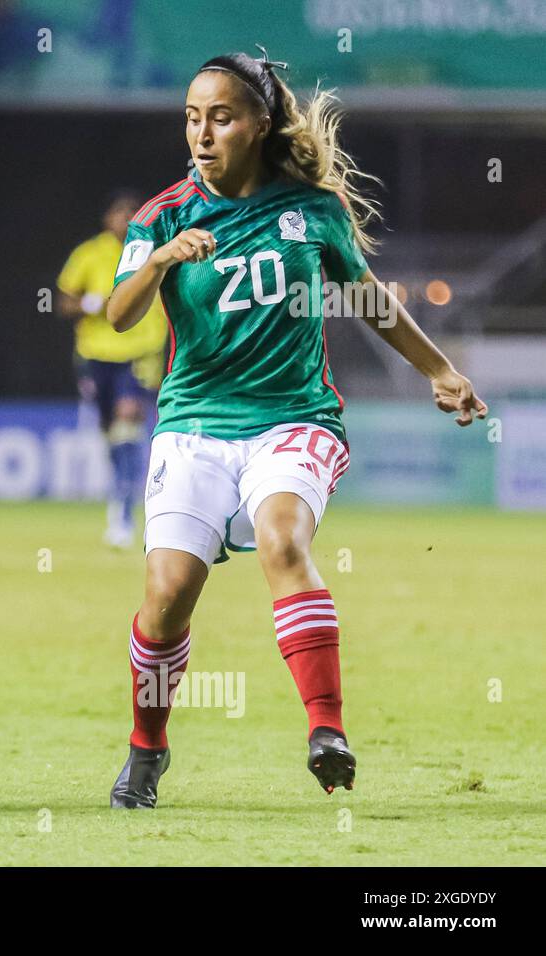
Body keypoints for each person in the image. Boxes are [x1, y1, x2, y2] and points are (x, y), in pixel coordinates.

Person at [105, 48, 486, 808]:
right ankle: (147, 748)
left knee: (283, 540)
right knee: (168, 590)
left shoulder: (313, 212)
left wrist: (438, 369)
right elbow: (119, 316)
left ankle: (326, 731)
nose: (201, 133)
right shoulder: (163, 216)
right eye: (191, 118)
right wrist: (161, 262)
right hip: (194, 424)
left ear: (260, 124)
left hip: (294, 418)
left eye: (220, 117)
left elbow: (370, 299)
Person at [57, 191, 168, 547]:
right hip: (96, 354)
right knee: (111, 432)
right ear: (108, 218)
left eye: (132, 213)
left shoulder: (156, 250)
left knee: (128, 422)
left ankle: (123, 513)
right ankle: (120, 493)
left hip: (140, 352)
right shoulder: (89, 253)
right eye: (119, 212)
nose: (125, 219)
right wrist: (93, 303)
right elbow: (64, 301)